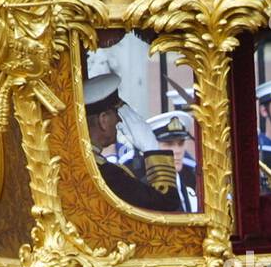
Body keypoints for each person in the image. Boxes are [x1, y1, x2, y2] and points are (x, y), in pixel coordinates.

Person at [85, 74, 182, 212]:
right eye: (116, 113)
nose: (119, 120)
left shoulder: (89, 164)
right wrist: (151, 146)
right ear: (103, 120)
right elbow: (167, 203)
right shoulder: (106, 174)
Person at [147, 111, 199, 212]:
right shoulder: (144, 191)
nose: (178, 151)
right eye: (168, 144)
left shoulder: (190, 191)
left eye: (181, 143)